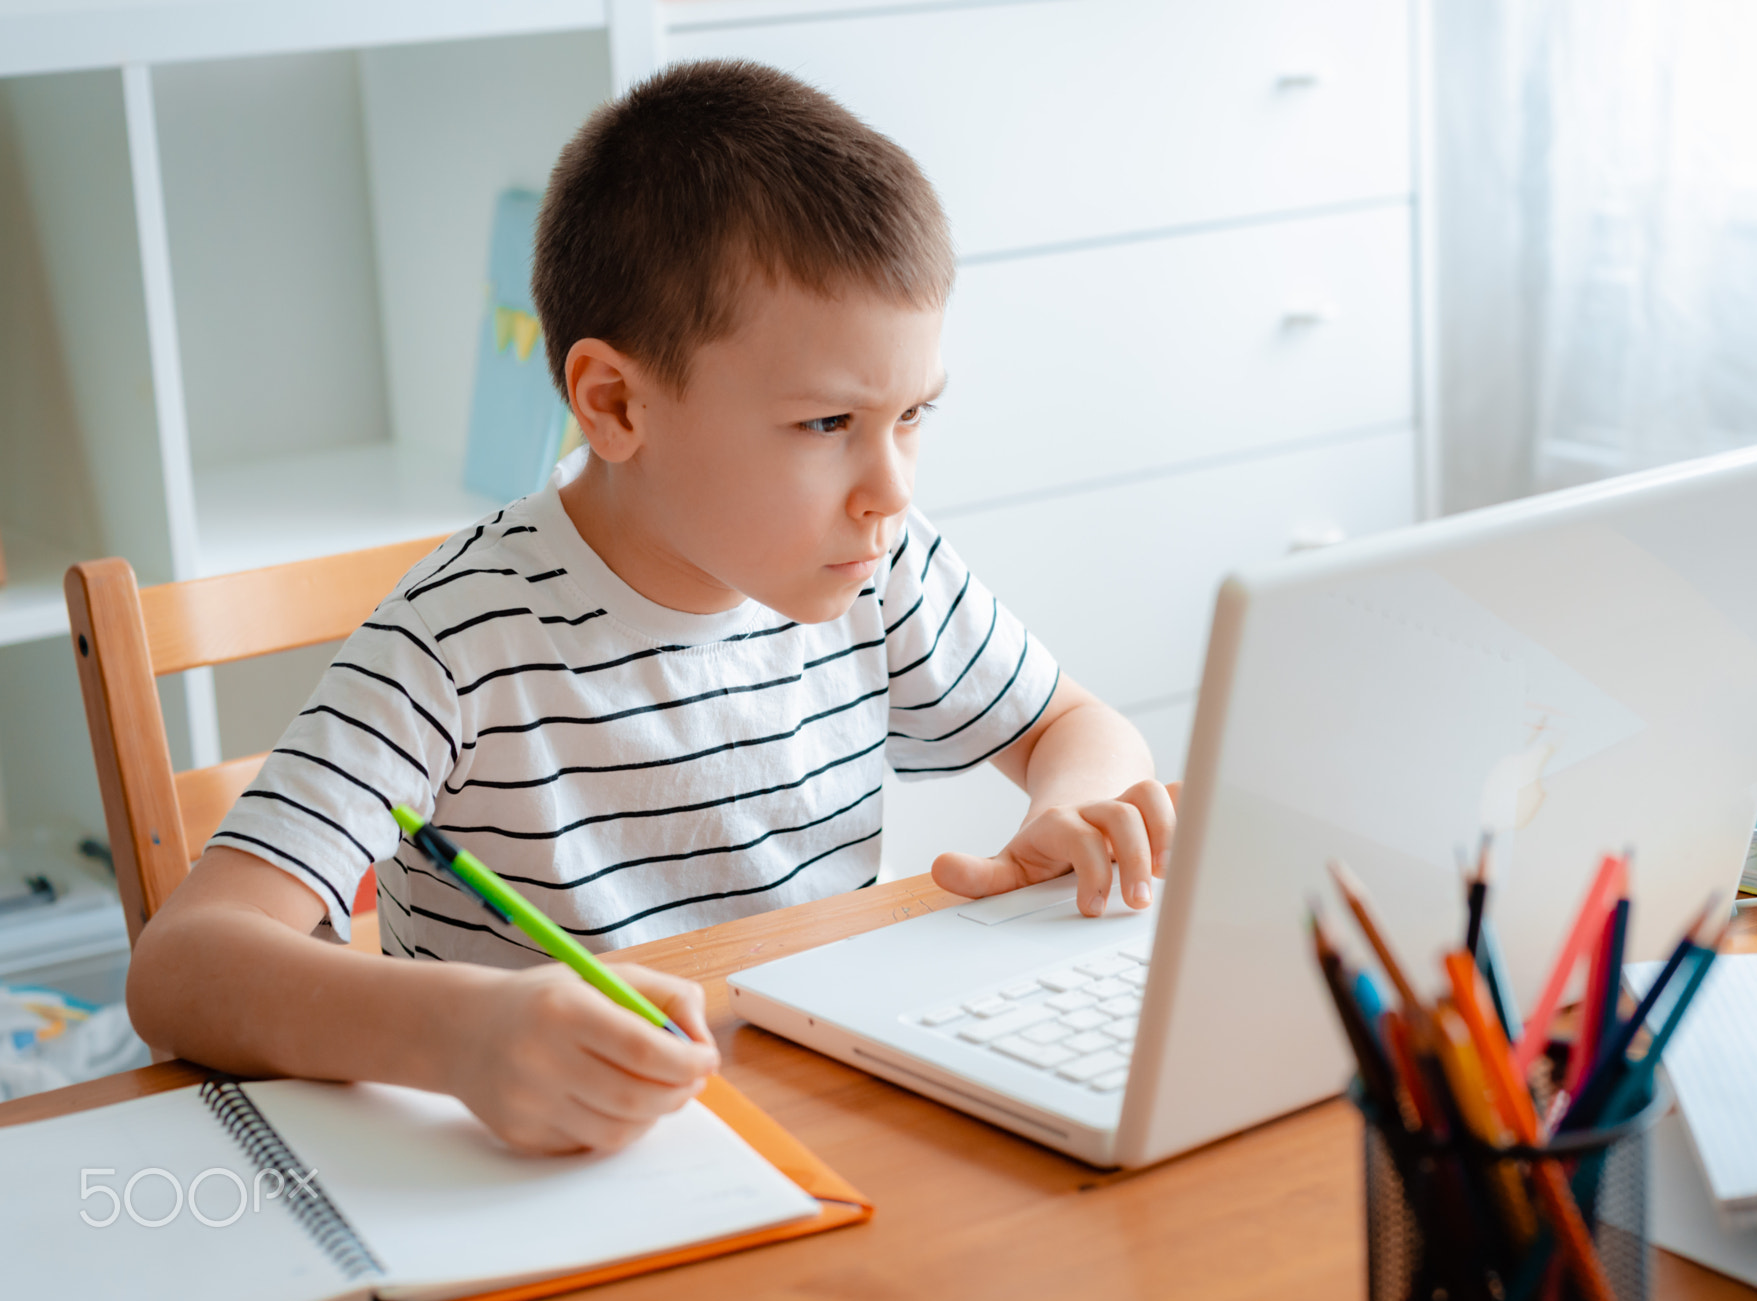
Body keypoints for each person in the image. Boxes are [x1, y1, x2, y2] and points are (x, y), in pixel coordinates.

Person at [126, 60, 1175, 1157]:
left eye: (913, 414)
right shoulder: (455, 644)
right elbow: (182, 970)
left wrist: (1075, 803)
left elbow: (1074, 726)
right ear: (617, 403)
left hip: (809, 1119)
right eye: (828, 424)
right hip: (553, 1168)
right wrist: (461, 1035)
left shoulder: (882, 567)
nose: (892, 489)